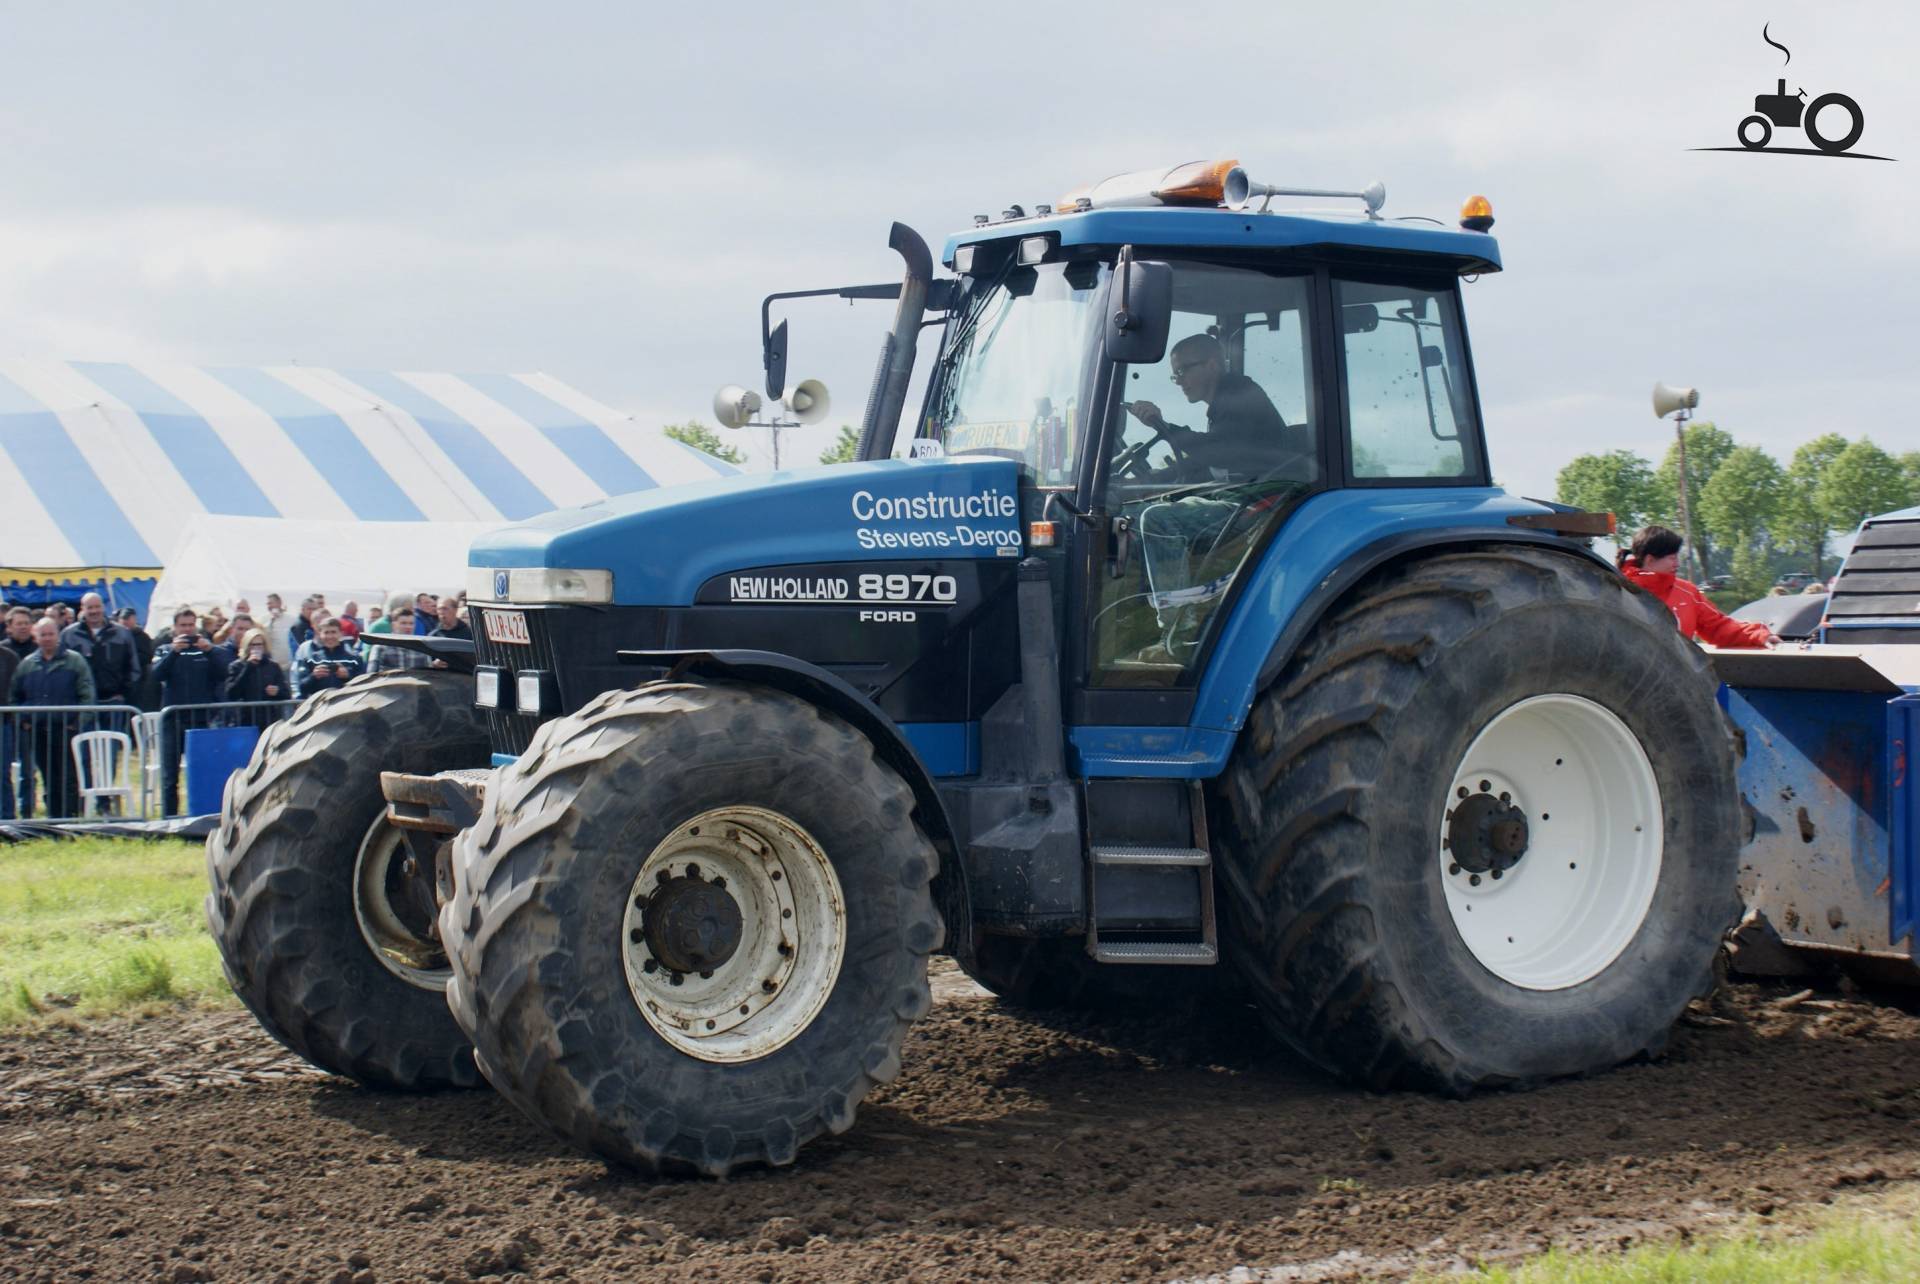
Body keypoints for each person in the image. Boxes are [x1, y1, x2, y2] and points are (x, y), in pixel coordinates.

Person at [1122, 333, 1302, 482]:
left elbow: (1217, 451)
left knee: (1152, 517)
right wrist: (1152, 480)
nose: (1178, 381)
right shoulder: (1225, 405)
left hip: (1266, 496)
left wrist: (1166, 428)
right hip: (1252, 490)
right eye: (1174, 375)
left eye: (1182, 371)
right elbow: (1205, 463)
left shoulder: (1239, 393)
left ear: (1212, 366)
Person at [1617, 525, 1773, 649]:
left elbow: (1718, 627)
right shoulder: (1619, 591)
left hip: (1679, 677)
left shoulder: (1687, 592)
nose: (1677, 564)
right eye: (1672, 558)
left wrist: (1758, 635)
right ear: (1650, 560)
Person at [9, 617, 96, 818]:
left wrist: (77, 724)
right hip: (38, 732)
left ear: (58, 635)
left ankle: (71, 817)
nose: (47, 638)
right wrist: (23, 722)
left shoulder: (75, 661)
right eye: (43, 634)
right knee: (48, 776)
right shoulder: (26, 665)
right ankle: (53, 817)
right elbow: (14, 697)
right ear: (35, 637)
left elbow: (88, 696)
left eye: (51, 634)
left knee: (69, 776)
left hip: (67, 730)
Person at [152, 605, 234, 816]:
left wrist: (210, 650)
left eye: (191, 625)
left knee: (200, 771)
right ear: (174, 627)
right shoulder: (164, 649)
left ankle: (200, 814)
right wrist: (173, 652)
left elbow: (226, 672)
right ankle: (169, 816)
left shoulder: (206, 649)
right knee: (170, 774)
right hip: (173, 719)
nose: (187, 630)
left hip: (200, 719)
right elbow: (156, 675)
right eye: (183, 626)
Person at [61, 592, 142, 708]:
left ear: (103, 607)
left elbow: (133, 667)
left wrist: (124, 692)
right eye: (90, 607)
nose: (94, 611)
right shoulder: (69, 635)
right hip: (82, 703)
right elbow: (63, 667)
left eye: (97, 606)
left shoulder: (122, 633)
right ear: (82, 609)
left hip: (114, 701)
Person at [224, 628, 290, 727]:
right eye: (252, 645)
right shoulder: (236, 666)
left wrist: (277, 691)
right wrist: (248, 667)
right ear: (246, 646)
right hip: (245, 719)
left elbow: (286, 693)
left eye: (259, 644)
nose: (256, 648)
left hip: (269, 720)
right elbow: (231, 693)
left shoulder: (273, 666)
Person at [293, 617, 365, 698]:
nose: (330, 636)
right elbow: (301, 688)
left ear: (341, 633)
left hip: (346, 706)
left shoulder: (354, 659)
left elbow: (364, 687)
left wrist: (347, 677)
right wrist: (313, 676)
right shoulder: (310, 659)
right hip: (320, 706)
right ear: (320, 634)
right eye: (326, 632)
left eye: (333, 632)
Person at [371, 605, 433, 671]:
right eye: (403, 623)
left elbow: (428, 674)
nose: (408, 627)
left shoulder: (422, 647)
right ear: (393, 625)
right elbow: (371, 675)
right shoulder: (381, 647)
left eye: (411, 623)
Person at [261, 593, 293, 668]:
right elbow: (263, 636)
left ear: (279, 603)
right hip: (271, 664)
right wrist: (271, 621)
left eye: (271, 603)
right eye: (267, 604)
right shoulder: (263, 619)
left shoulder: (291, 619)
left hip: (289, 664)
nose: (269, 606)